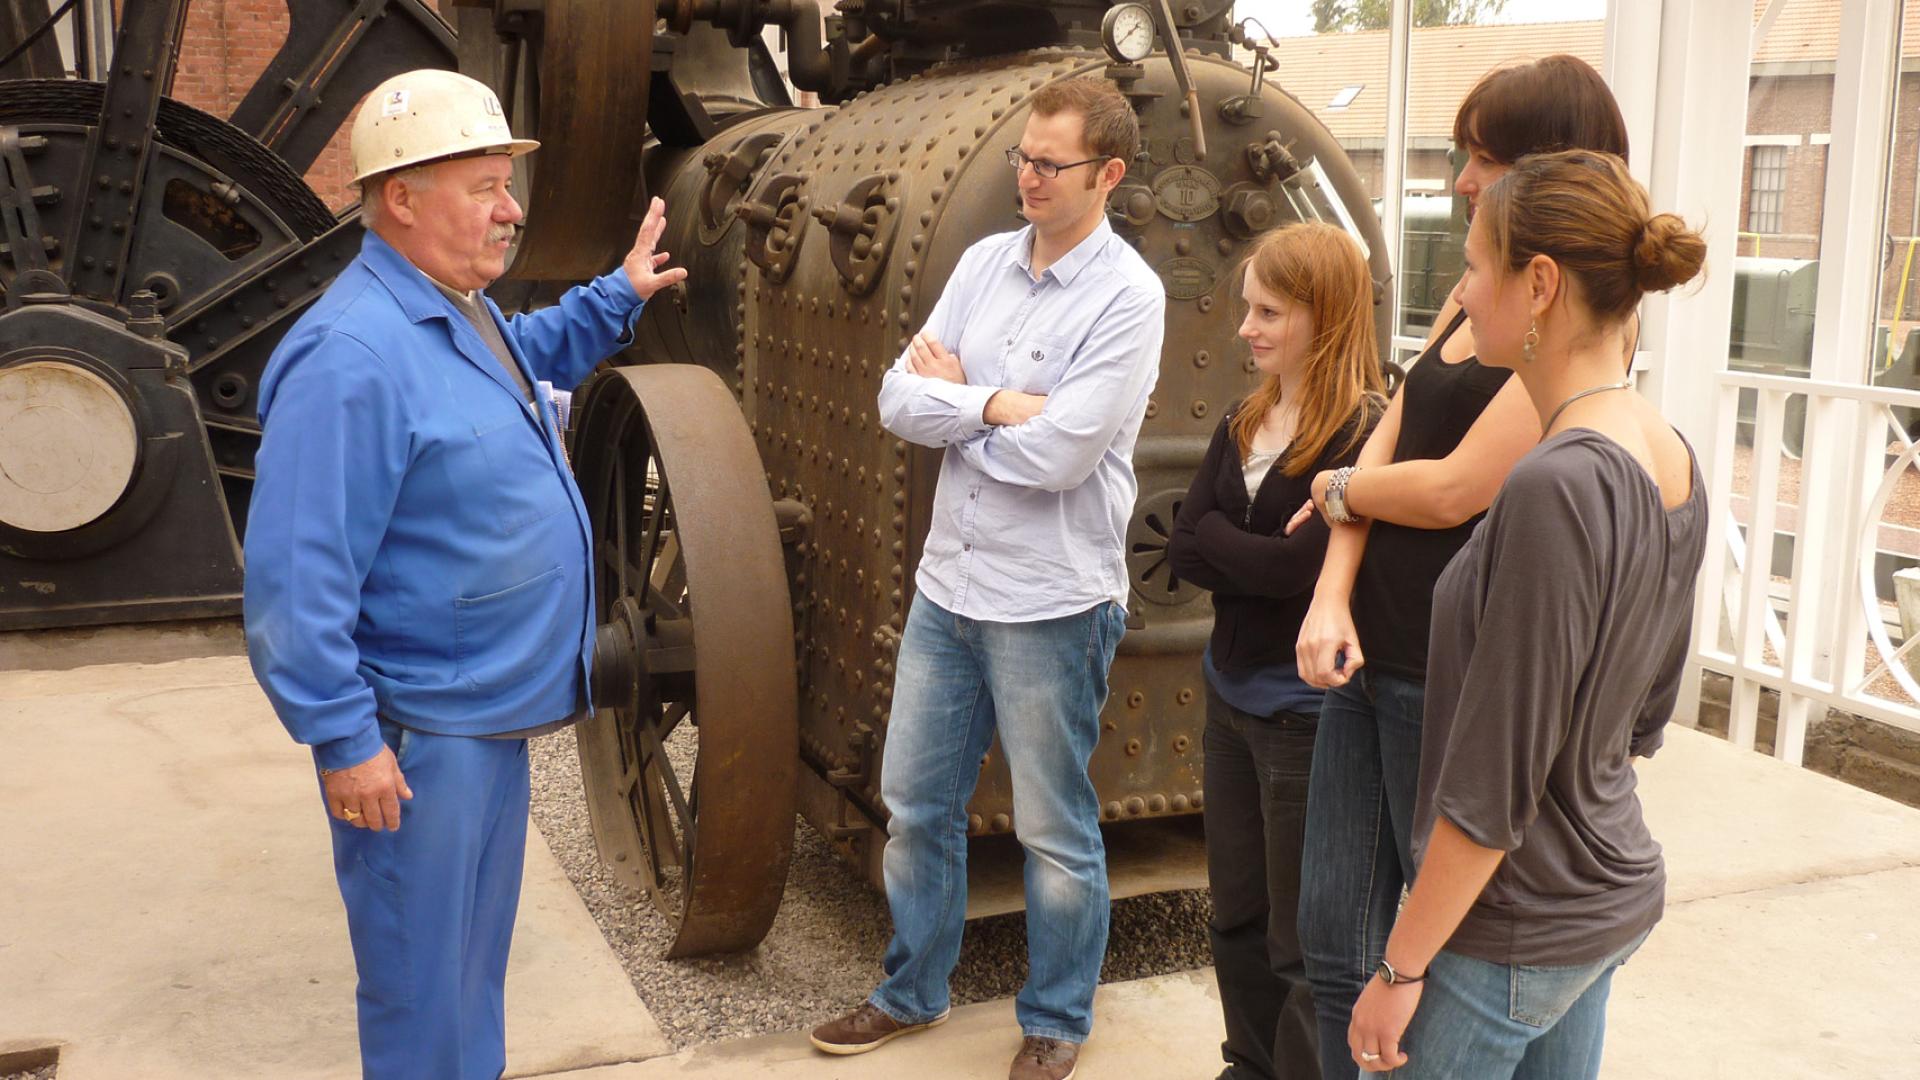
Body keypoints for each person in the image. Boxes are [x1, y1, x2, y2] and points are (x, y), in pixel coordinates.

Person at [242, 68, 686, 1080]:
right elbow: (293, 583)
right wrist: (345, 739)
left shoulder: (453, 307)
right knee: (422, 996)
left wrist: (614, 298)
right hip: (414, 741)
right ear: (401, 198)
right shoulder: (349, 356)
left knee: (467, 976)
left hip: (479, 724)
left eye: (505, 183)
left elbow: (514, 366)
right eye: (484, 185)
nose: (510, 208)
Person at [808, 77, 1163, 1080]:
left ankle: (1056, 1018)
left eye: (1052, 164)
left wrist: (958, 401)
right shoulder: (981, 263)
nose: (1030, 177)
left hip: (1050, 602)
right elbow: (895, 400)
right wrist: (1001, 405)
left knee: (1052, 827)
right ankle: (910, 994)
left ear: (1110, 175)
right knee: (916, 806)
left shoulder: (1127, 297)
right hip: (948, 588)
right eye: (1023, 157)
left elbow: (1063, 459)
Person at [1288, 54, 1632, 1080]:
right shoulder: (1475, 288)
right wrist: (1331, 590)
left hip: (1447, 677)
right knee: (1329, 930)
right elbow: (1387, 447)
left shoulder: (1582, 337)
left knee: (1451, 949)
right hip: (1371, 650)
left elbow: (1450, 489)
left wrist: (1336, 494)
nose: (1462, 179)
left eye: (1484, 156)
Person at [1345, 148, 1706, 1077]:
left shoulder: (1558, 483)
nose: (1460, 296)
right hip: (1601, 894)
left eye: (1472, 267)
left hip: (1510, 925)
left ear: (1539, 284)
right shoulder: (1668, 453)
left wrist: (1400, 964)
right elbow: (1642, 717)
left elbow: (1493, 783)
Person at [1165, 222, 1383, 1080]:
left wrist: (1230, 545)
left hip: (1302, 714)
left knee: (1298, 937)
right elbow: (1181, 548)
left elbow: (1303, 573)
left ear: (1322, 317)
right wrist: (1250, 557)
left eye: (1267, 311)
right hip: (1229, 695)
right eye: (1246, 308)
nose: (1244, 328)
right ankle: (1246, 1066)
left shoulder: (1362, 434)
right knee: (1236, 912)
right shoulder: (1245, 415)